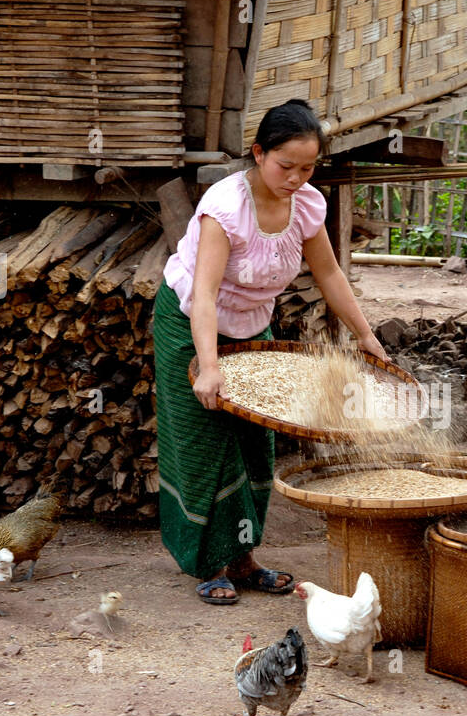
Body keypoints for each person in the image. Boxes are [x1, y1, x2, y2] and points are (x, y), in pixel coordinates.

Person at [152, 99, 387, 605]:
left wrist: (366, 337)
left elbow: (328, 274)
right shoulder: (225, 209)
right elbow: (206, 297)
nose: (296, 178)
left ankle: (243, 556)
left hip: (251, 328)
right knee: (207, 439)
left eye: (308, 167)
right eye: (286, 166)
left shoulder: (306, 205)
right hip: (191, 323)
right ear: (258, 154)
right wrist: (209, 368)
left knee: (257, 442)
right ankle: (207, 563)